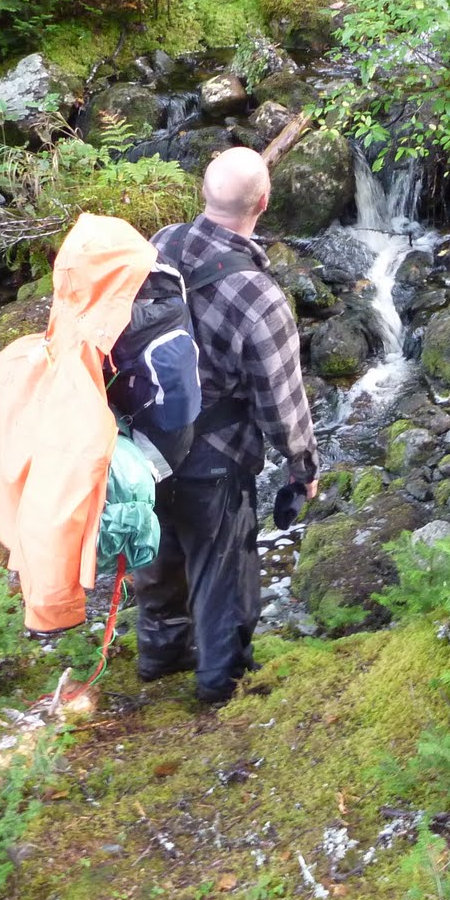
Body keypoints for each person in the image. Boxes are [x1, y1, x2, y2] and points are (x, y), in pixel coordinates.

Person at [130, 147, 319, 703]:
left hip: (145, 438)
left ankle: (160, 653)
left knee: (160, 549)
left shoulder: (160, 244)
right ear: (264, 202)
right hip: (216, 455)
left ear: (203, 194)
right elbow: (281, 400)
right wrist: (303, 466)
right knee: (223, 572)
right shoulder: (261, 298)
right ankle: (221, 684)